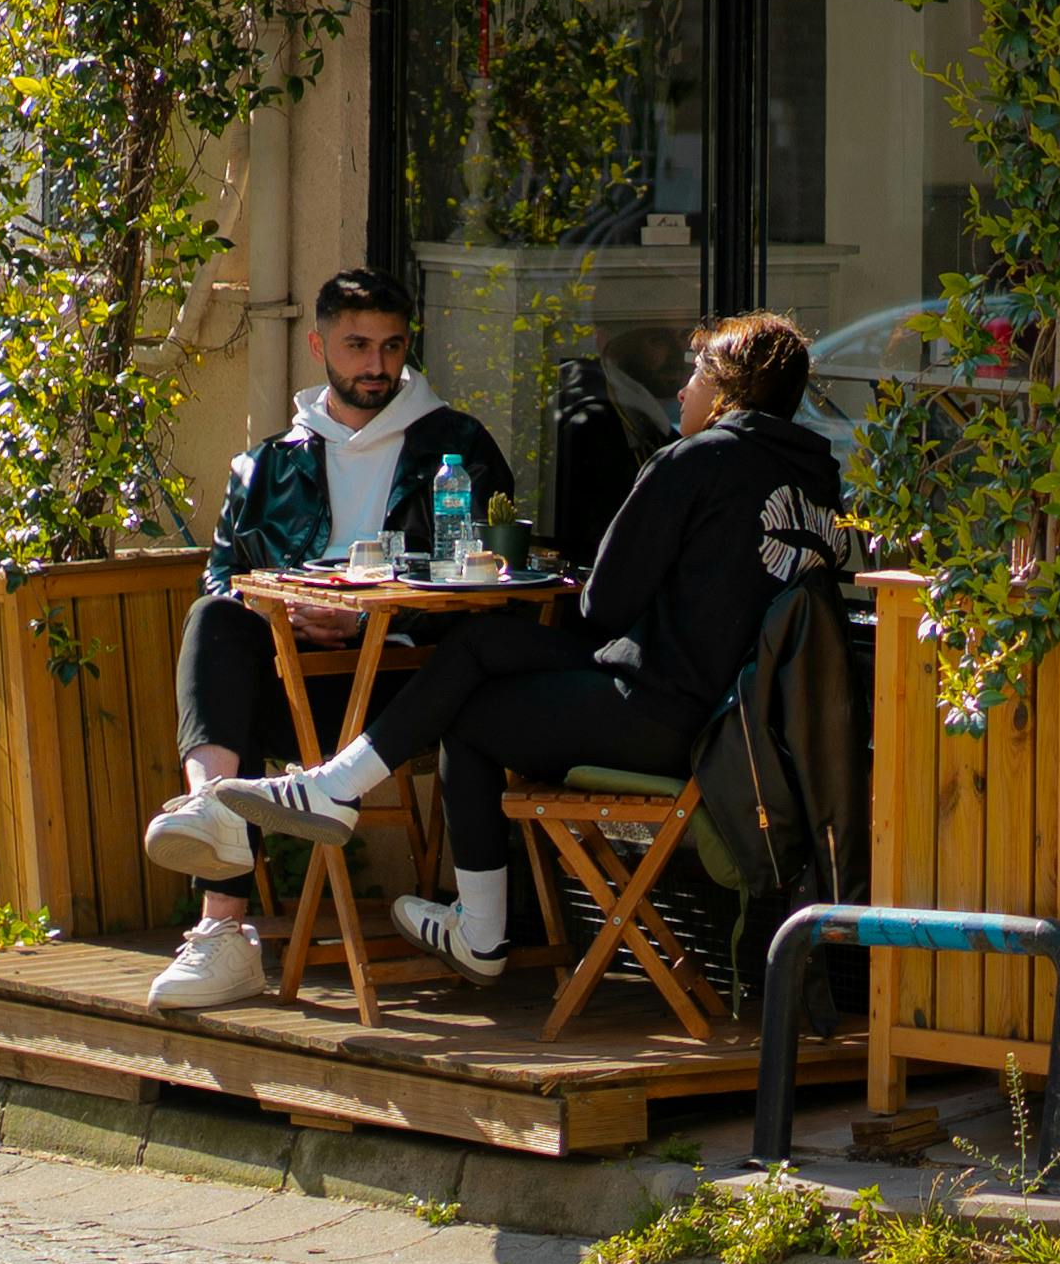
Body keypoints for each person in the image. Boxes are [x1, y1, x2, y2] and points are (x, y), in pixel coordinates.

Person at [214, 309, 850, 985]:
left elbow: (605, 606)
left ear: (726, 390)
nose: (681, 392)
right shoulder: (818, 480)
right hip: (744, 730)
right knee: (484, 643)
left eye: (695, 374)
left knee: (471, 711)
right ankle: (338, 789)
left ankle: (477, 931)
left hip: (668, 718)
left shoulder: (698, 459)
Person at [138, 267, 514, 1010]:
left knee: (240, 666)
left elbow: (489, 584)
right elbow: (221, 577)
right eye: (357, 346)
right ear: (319, 346)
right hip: (300, 683)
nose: (376, 366)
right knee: (216, 622)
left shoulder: (458, 448)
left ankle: (221, 906)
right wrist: (287, 613)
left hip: (407, 695)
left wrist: (377, 618)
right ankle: (216, 840)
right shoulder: (271, 461)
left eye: (391, 347)